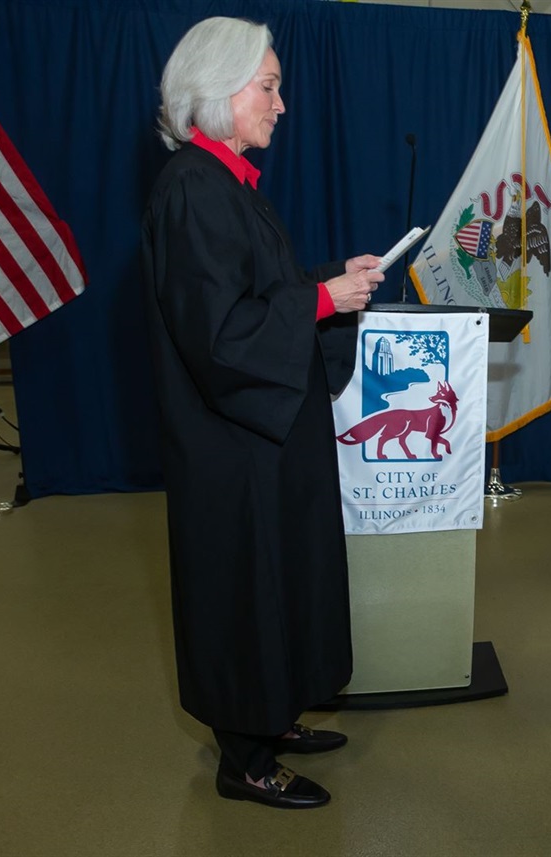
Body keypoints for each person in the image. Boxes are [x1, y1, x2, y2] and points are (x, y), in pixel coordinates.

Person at [141, 17, 384, 808]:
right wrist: (320, 297)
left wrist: (327, 278)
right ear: (215, 92)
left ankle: (272, 715)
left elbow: (251, 295)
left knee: (280, 581)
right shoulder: (193, 192)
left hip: (265, 443)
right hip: (231, 451)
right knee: (244, 590)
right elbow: (219, 336)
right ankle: (244, 758)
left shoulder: (229, 183)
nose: (283, 104)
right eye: (269, 87)